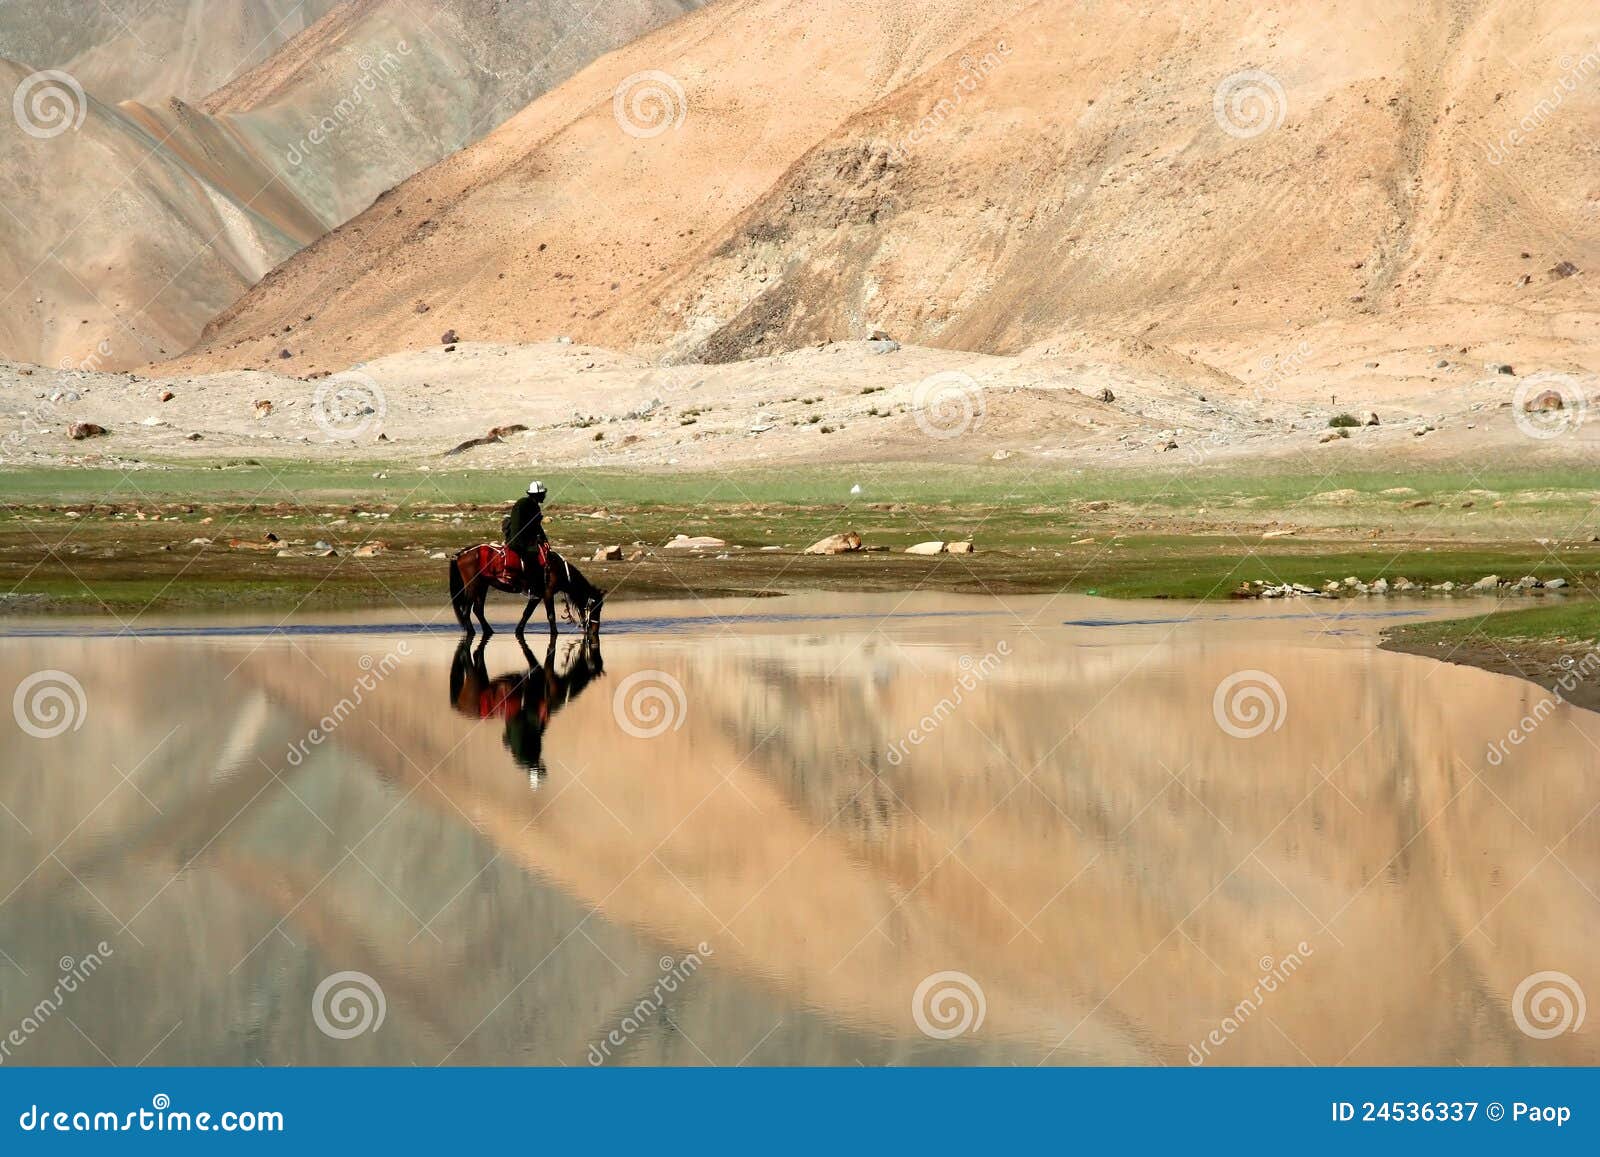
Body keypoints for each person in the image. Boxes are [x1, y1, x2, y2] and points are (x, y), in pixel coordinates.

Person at [505, 480, 551, 576]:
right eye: (543, 494)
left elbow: (537, 526)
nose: (544, 496)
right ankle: (528, 585)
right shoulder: (522, 504)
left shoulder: (535, 507)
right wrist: (524, 544)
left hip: (527, 540)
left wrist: (545, 540)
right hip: (518, 540)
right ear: (537, 495)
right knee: (533, 559)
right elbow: (517, 526)